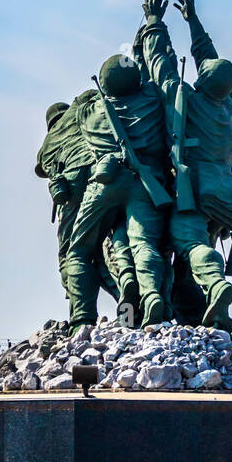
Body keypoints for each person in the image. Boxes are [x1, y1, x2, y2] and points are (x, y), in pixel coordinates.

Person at [140, 0, 232, 332]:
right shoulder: (229, 107)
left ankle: (217, 285)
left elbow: (160, 65)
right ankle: (206, 312)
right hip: (227, 197)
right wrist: (194, 22)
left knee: (189, 242)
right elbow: (210, 62)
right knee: (192, 258)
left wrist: (154, 22)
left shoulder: (185, 96)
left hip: (196, 188)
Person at [67, 54, 171, 332]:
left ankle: (82, 320)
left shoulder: (87, 113)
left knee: (78, 250)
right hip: (143, 181)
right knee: (144, 244)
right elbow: (153, 78)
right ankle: (152, 297)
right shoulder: (152, 99)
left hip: (104, 183)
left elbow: (83, 104)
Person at [35, 96, 121, 312]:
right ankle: (128, 300)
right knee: (106, 241)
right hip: (99, 175)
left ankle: (81, 314)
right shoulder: (79, 111)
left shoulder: (47, 144)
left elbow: (42, 169)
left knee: (70, 254)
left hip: (72, 189)